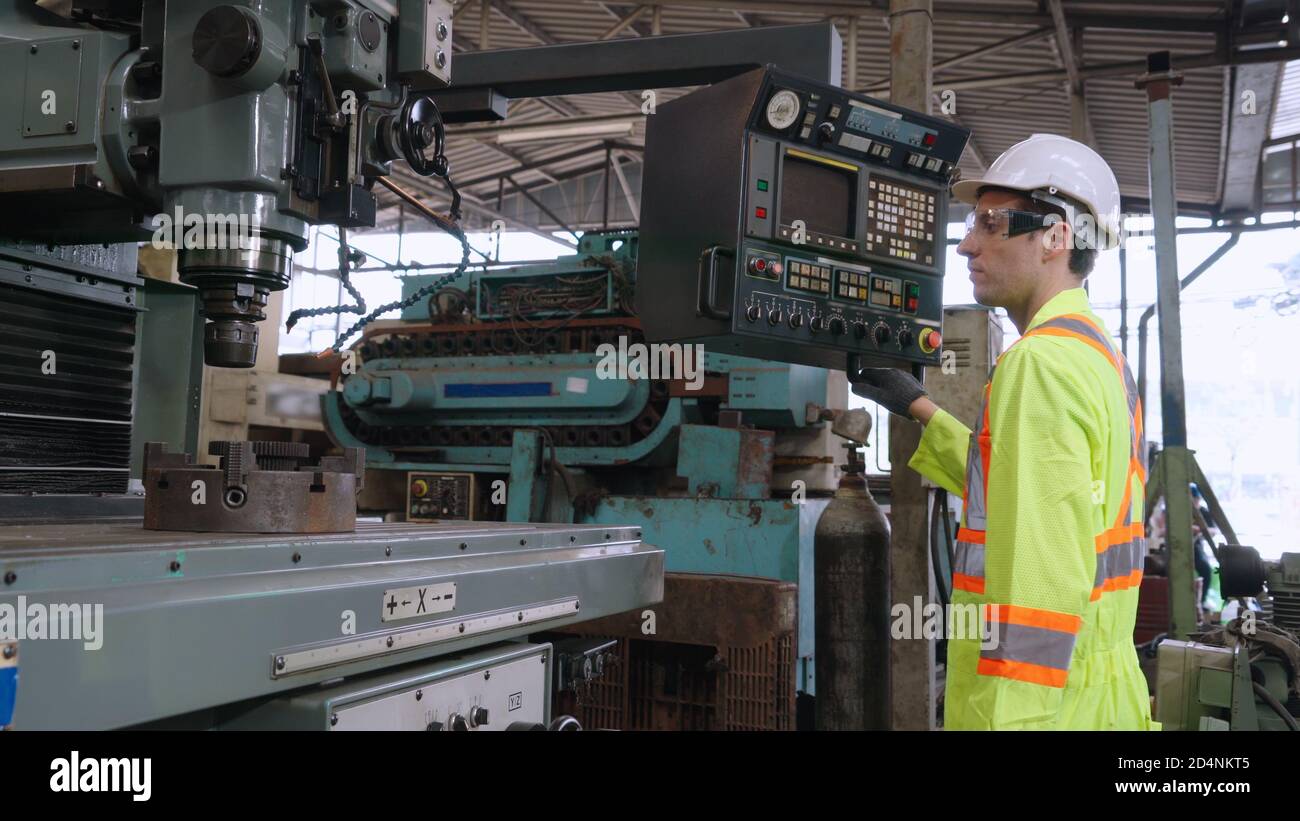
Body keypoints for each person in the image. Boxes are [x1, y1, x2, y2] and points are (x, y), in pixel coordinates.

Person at [852, 134, 1158, 729]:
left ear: (1055, 236)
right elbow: (1028, 490)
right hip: (1102, 697)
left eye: (991, 224)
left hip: (1041, 710)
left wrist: (1015, 723)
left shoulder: (1038, 363)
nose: (967, 244)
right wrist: (919, 407)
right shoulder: (1096, 355)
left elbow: (1037, 590)